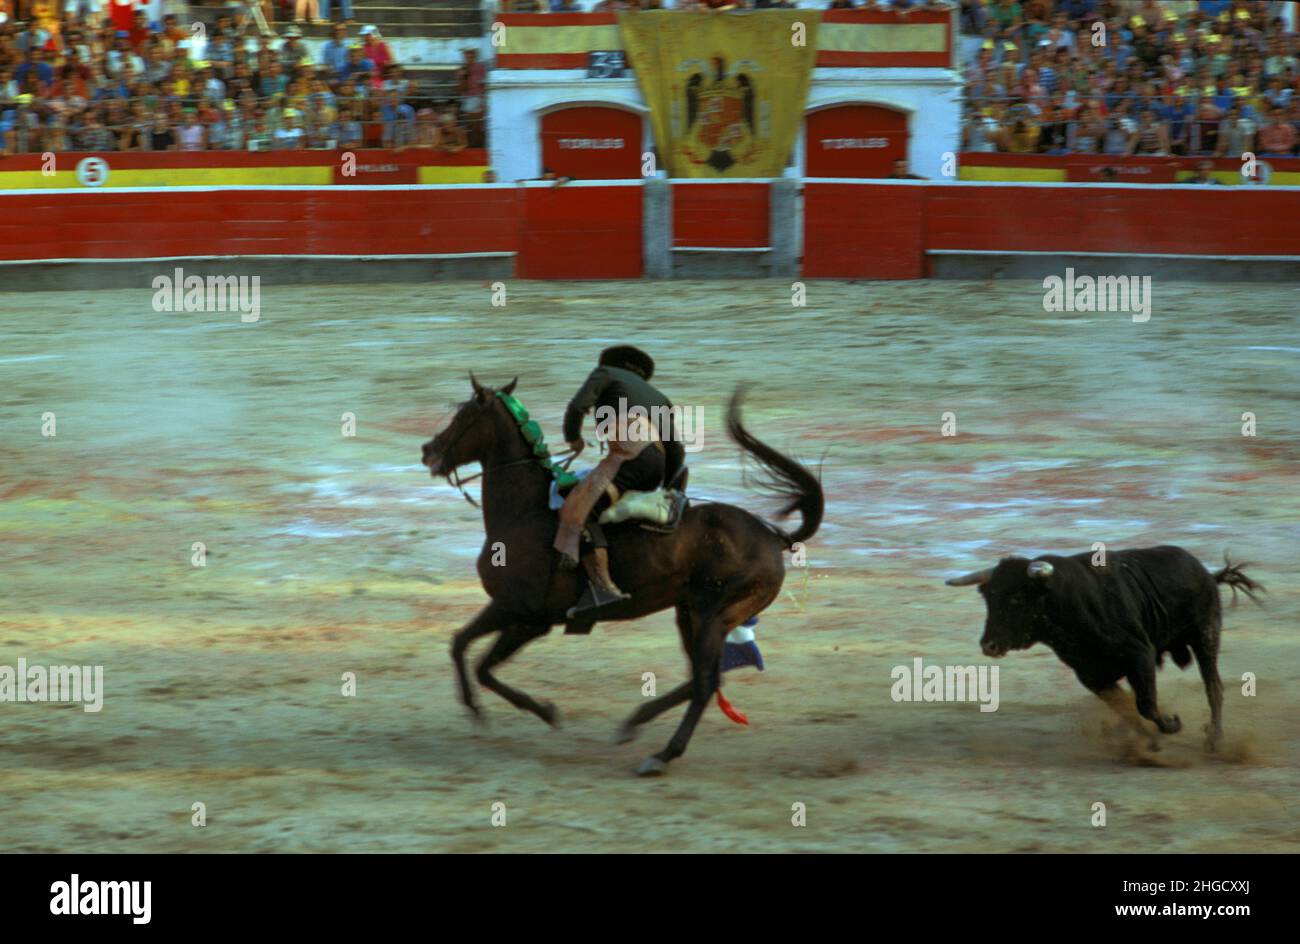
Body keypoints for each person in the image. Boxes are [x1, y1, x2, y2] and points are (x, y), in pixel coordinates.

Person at [555, 346, 684, 620]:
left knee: (584, 507)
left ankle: (603, 588)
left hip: (628, 455)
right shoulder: (660, 398)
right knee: (610, 510)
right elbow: (676, 450)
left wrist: (573, 438)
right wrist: (667, 489)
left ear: (613, 364)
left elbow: (578, 406)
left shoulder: (606, 373)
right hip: (655, 465)